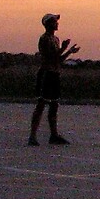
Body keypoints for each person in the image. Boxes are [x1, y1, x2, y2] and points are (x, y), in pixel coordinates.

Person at [28, 14, 79, 146]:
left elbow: (59, 60)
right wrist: (64, 48)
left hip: (55, 73)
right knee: (41, 104)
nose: (57, 23)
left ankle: (54, 135)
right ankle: (32, 136)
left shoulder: (55, 39)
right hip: (46, 74)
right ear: (48, 24)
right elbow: (52, 57)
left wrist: (69, 51)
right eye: (54, 21)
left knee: (54, 104)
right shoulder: (45, 39)